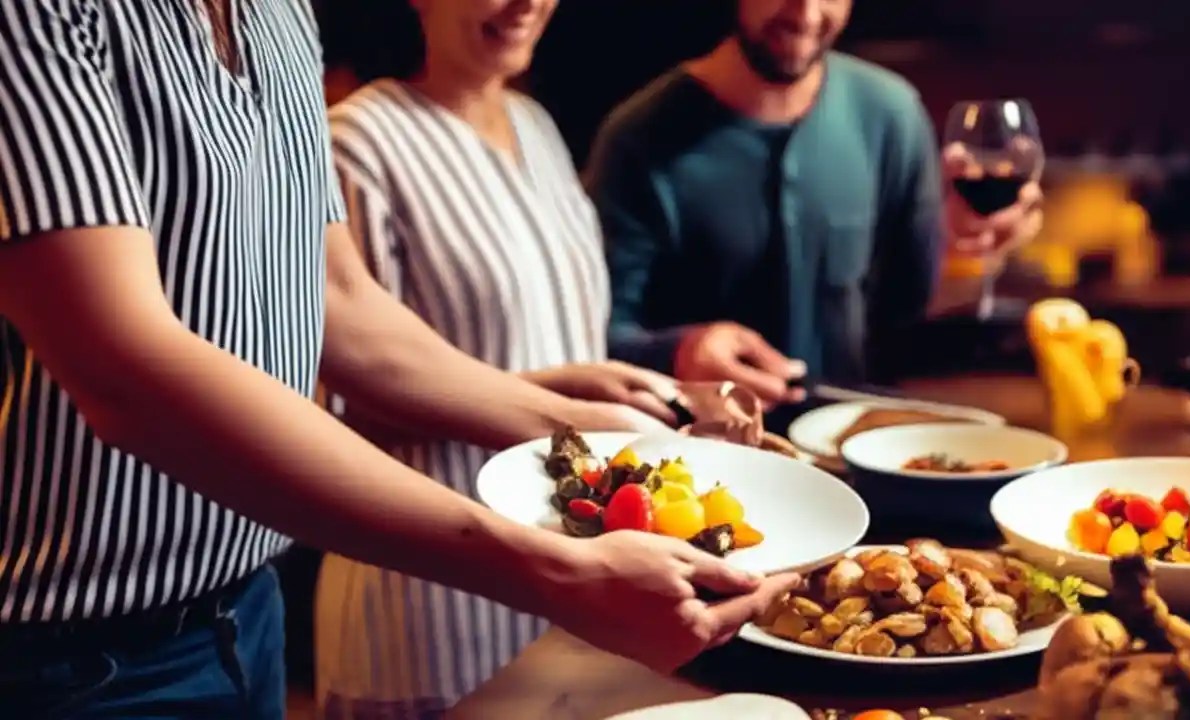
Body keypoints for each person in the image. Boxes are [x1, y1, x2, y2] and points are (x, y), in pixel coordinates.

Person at [0, 2, 797, 718]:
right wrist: (547, 571)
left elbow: (342, 306)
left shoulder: (279, 15)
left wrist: (603, 437)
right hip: (64, 660)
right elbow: (125, 372)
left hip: (245, 614)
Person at [311, 0, 692, 715]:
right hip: (429, 604)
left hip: (573, 581)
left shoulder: (537, 127)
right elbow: (340, 409)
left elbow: (551, 337)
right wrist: (561, 399)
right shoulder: (355, 141)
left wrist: (631, 378)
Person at [586, 0, 1044, 405]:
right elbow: (594, 338)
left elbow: (911, 324)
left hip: (854, 454)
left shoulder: (891, 115)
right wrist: (680, 351)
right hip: (699, 468)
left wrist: (966, 253)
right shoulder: (638, 139)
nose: (806, 14)